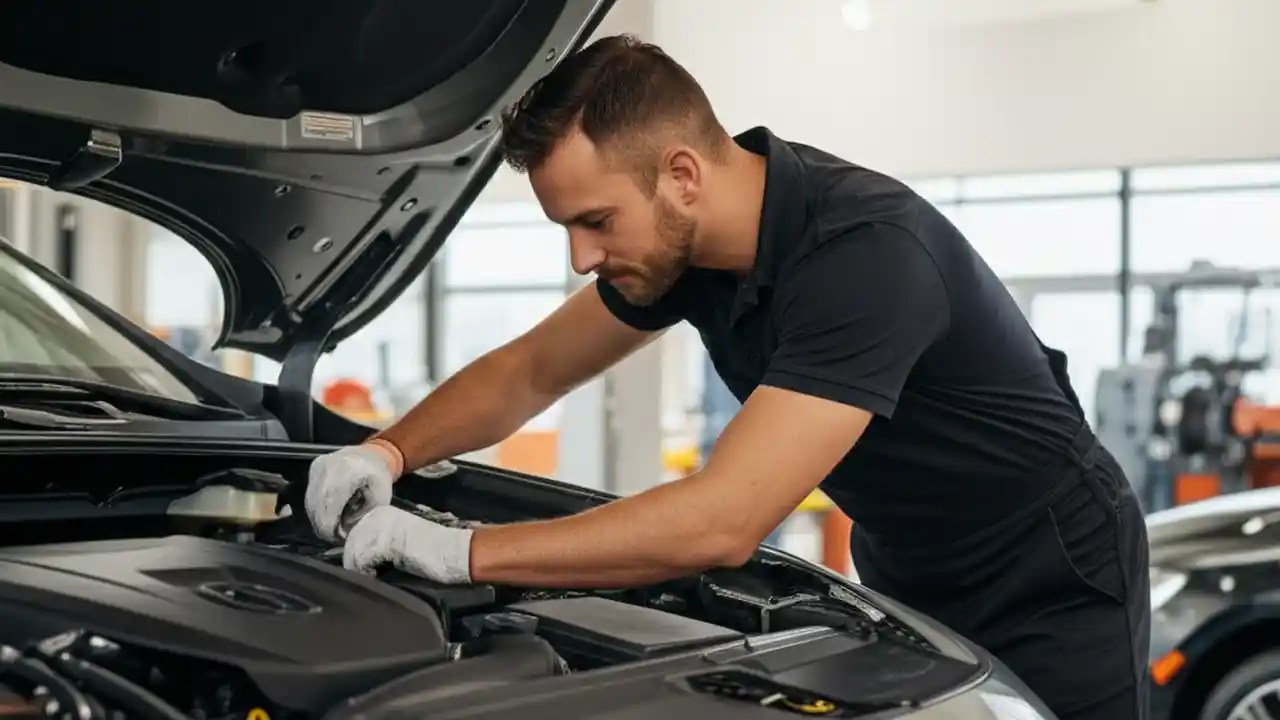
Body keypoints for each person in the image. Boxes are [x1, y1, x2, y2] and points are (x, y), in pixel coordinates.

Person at [305, 34, 1150, 719]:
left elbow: (721, 522)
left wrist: (462, 551)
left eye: (596, 222)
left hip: (1051, 573)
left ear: (680, 175)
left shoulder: (866, 256)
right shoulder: (685, 251)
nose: (580, 258)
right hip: (907, 564)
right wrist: (385, 452)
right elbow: (530, 370)